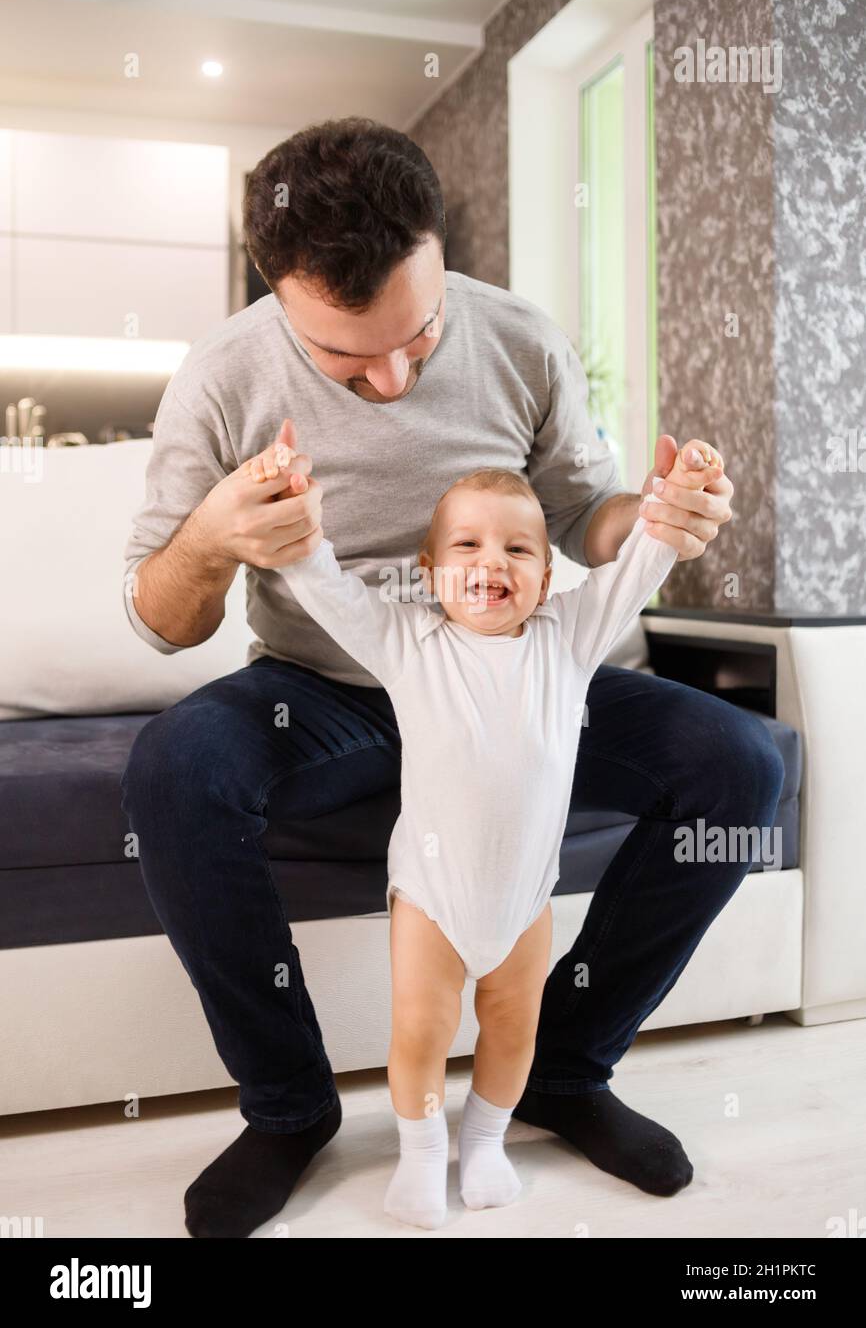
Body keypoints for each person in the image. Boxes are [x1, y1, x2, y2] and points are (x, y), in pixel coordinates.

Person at [120, 116, 784, 1238]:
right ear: (277, 292)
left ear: (440, 252)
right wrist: (216, 535)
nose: (392, 374)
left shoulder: (521, 340)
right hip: (320, 688)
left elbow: (586, 521)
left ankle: (564, 1068)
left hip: (512, 672)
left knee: (738, 763)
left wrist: (667, 517)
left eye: (418, 334)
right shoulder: (221, 373)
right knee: (175, 770)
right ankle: (289, 1108)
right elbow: (159, 618)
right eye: (347, 357)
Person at [251, 437, 691, 1227]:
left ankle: (485, 1143)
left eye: (519, 547)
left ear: (548, 577)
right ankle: (422, 1154)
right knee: (421, 1031)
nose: (495, 561)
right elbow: (322, 585)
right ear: (428, 570)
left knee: (513, 1029)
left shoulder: (569, 638)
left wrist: (672, 496)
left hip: (525, 899)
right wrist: (290, 507)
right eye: (468, 544)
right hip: (432, 898)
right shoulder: (408, 642)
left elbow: (641, 565)